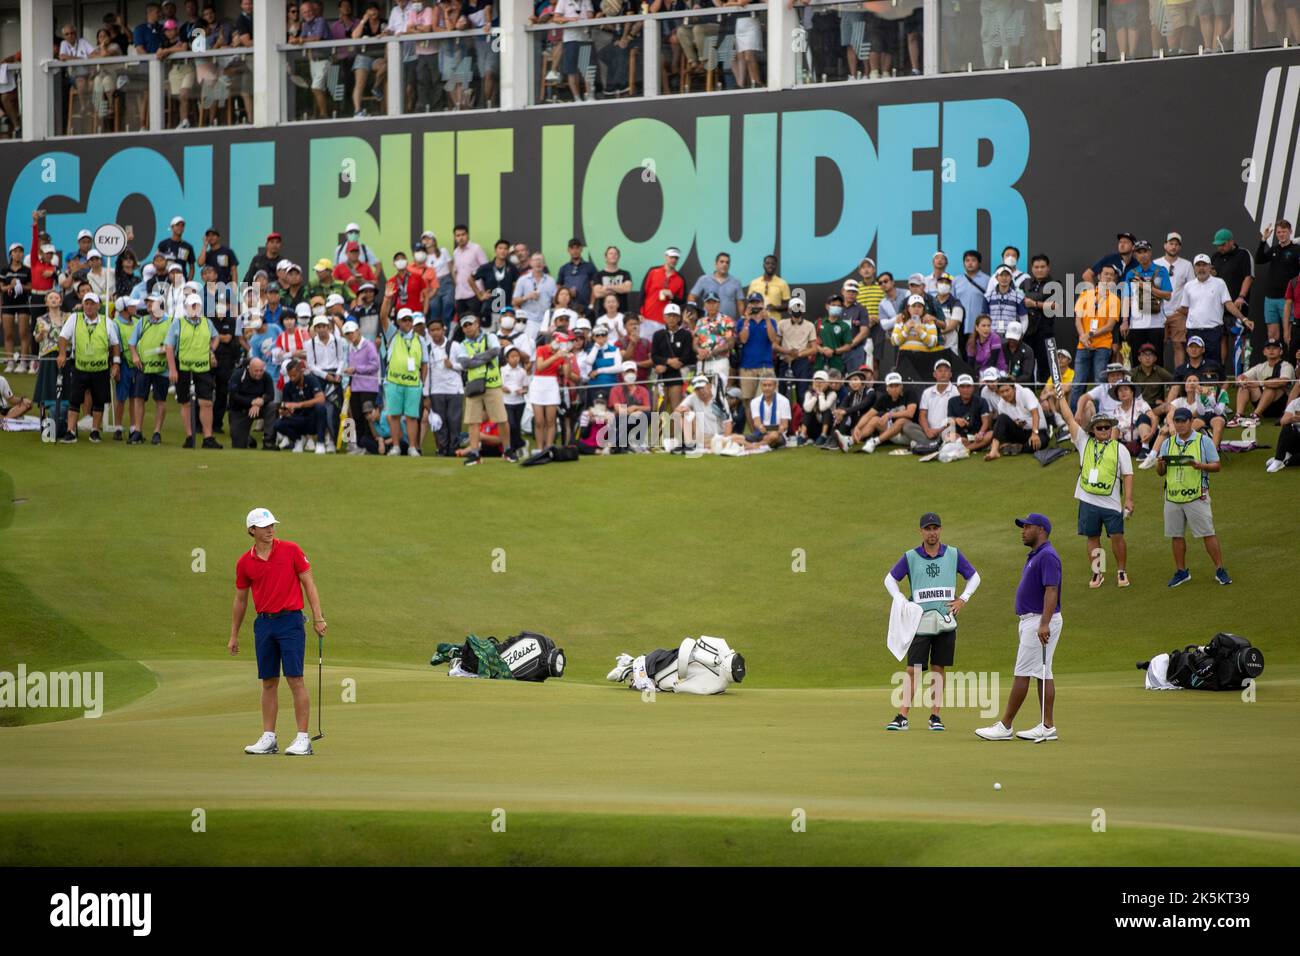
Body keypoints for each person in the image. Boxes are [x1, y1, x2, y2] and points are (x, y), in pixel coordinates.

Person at [230, 508, 326, 757]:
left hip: (291, 620)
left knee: (295, 679)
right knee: (269, 681)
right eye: (264, 526)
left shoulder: (291, 550)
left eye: (272, 525)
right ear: (252, 530)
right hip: (264, 624)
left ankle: (303, 738)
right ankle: (269, 737)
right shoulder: (244, 562)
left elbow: (309, 583)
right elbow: (240, 600)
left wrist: (318, 617)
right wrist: (234, 635)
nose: (270, 529)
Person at [883, 511, 980, 732]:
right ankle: (902, 715)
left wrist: (963, 599)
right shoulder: (911, 556)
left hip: (945, 620)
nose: (932, 532)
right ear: (921, 532)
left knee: (938, 668)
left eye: (935, 528)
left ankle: (935, 715)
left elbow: (974, 577)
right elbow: (890, 579)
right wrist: (899, 598)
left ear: (940, 530)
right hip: (919, 621)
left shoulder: (953, 554)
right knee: (913, 669)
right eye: (928, 529)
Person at [976, 513, 1062, 742]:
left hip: (1040, 620)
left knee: (1023, 673)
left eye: (1027, 527)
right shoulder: (1037, 555)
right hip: (1033, 620)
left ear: (1041, 529)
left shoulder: (1048, 556)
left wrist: (1044, 623)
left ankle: (1005, 725)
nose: (1022, 530)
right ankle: (1047, 726)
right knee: (1043, 673)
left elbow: (1051, 590)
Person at [1056, 398, 1134, 589]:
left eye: (1107, 427)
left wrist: (1129, 499)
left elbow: (1128, 475)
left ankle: (1121, 570)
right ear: (1092, 430)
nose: (1104, 431)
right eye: (1100, 428)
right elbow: (1068, 417)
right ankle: (1098, 572)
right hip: (1088, 500)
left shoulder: (1120, 448)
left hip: (1112, 502)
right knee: (1093, 537)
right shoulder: (1083, 441)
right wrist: (1060, 398)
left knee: (1117, 537)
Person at [1157, 407, 1231, 588]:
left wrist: (1200, 466)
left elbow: (1217, 465)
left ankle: (1220, 569)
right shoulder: (1167, 443)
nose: (1180, 425)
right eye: (1177, 421)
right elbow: (1161, 473)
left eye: (1183, 421)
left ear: (1191, 421)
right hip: (1173, 496)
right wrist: (1160, 464)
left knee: (1208, 533)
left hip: (1197, 495)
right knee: (1176, 535)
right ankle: (1181, 572)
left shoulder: (1203, 441)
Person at [55, 292, 121, 444]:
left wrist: (116, 363)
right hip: (80, 366)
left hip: (100, 368)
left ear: (98, 305)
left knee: (99, 401)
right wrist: (62, 354)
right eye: (87, 303)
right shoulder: (75, 318)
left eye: (92, 304)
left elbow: (115, 344)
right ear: (83, 305)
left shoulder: (106, 322)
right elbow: (63, 337)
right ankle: (71, 431)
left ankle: (95, 431)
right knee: (75, 400)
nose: (89, 307)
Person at [451, 312, 515, 465]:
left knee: (502, 419)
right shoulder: (462, 345)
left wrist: (474, 358)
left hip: (492, 383)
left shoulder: (490, 337)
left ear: (477, 324)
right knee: (473, 421)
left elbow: (495, 352)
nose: (467, 328)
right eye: (464, 326)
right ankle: (474, 454)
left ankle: (507, 450)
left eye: (470, 324)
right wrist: (483, 358)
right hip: (474, 386)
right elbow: (465, 364)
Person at [165, 293, 221, 448]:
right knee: (185, 403)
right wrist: (172, 369)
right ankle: (190, 436)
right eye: (192, 306)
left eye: (197, 305)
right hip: (183, 367)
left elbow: (215, 337)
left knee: (206, 402)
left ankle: (208, 437)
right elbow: (169, 346)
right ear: (186, 307)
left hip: (203, 367)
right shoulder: (178, 323)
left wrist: (211, 350)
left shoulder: (207, 323)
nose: (195, 308)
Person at [1229, 338, 1294, 426]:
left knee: (1270, 387)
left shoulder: (1286, 365)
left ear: (1281, 351)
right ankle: (1239, 416)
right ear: (1264, 352)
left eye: (1274, 348)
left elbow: (1283, 381)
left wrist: (1260, 383)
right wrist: (1241, 381)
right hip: (1264, 404)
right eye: (1268, 348)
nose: (1271, 350)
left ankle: (1255, 416)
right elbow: (1242, 376)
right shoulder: (1260, 366)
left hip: (1281, 405)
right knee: (1245, 386)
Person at [854, 372, 923, 453]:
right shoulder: (884, 398)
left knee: (902, 420)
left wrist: (889, 414)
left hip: (910, 434)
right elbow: (869, 415)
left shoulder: (909, 393)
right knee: (875, 419)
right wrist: (857, 427)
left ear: (901, 386)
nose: (894, 389)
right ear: (887, 388)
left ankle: (874, 442)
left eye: (897, 385)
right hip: (892, 434)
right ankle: (850, 440)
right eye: (891, 386)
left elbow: (910, 413)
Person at [985, 378, 1046, 460]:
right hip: (1020, 432)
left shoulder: (1025, 393)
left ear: (1014, 388)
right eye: (1002, 392)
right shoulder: (1001, 405)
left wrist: (1034, 434)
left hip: (1038, 430)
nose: (1005, 394)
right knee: (1001, 417)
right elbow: (1006, 424)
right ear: (999, 393)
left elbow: (1035, 414)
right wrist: (1016, 423)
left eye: (1007, 390)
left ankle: (1018, 447)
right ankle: (994, 450)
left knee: (1036, 445)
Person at [227, 357, 277, 450]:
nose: (259, 373)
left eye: (261, 371)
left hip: (259, 408)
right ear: (249, 368)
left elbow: (271, 395)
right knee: (239, 446)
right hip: (239, 410)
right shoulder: (237, 375)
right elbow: (233, 395)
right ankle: (249, 439)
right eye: (256, 371)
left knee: (272, 406)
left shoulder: (266, 376)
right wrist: (251, 402)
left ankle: (268, 441)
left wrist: (261, 401)